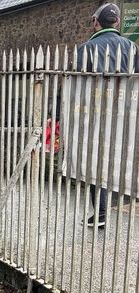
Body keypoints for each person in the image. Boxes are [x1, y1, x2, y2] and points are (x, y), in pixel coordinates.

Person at [76, 2, 138, 227]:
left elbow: (77, 88)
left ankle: (101, 212)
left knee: (96, 163)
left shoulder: (86, 49)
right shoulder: (132, 48)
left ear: (95, 22)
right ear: (118, 22)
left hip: (96, 116)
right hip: (126, 116)